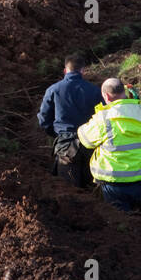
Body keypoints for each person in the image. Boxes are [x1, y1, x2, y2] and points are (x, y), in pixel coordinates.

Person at [77, 77, 141, 211]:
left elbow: (86, 140)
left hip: (115, 183)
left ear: (106, 95)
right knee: (139, 210)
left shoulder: (103, 118)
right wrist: (140, 101)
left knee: (120, 217)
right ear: (124, 92)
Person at [36, 55, 100, 188]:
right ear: (83, 71)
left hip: (66, 145)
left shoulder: (53, 90)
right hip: (91, 144)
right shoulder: (95, 91)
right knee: (92, 188)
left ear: (65, 70)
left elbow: (43, 119)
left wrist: (55, 134)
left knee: (68, 190)